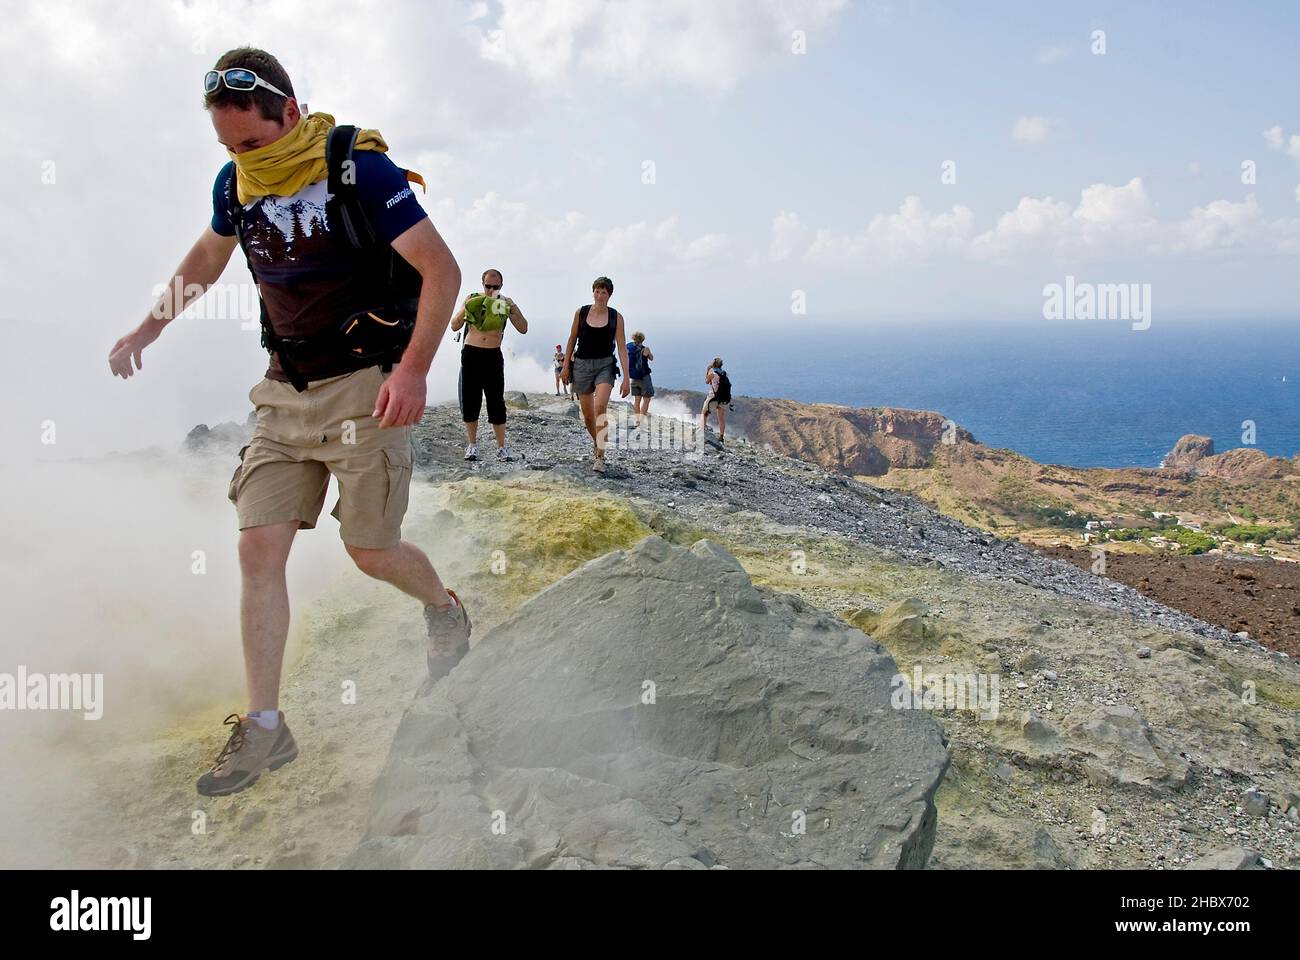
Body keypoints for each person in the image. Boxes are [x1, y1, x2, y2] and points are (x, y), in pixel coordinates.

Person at [107, 48, 470, 797]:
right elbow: (206, 262)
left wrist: (412, 371)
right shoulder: (235, 184)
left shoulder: (356, 168)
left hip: (366, 386)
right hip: (283, 390)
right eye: (230, 148)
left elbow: (443, 271)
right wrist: (148, 329)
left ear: (291, 114)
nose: (246, 158)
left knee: (370, 551)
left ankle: (445, 608)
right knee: (255, 549)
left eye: (256, 142)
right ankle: (266, 727)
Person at [450, 268, 528, 461]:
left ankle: (501, 447)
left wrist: (513, 307)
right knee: (470, 400)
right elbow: (454, 325)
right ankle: (472, 445)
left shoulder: (503, 304)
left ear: (501, 286)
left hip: (493, 354)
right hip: (471, 354)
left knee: (496, 402)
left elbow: (523, 328)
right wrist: (465, 308)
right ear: (482, 284)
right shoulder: (473, 298)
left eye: (496, 286)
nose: (491, 290)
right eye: (488, 286)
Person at [560, 276, 630, 473]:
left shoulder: (616, 317)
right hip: (581, 365)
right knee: (588, 417)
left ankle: (600, 455)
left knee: (600, 407)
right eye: (597, 291)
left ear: (610, 295)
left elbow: (622, 349)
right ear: (593, 292)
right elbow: (572, 338)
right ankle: (598, 441)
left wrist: (626, 378)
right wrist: (566, 366)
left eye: (604, 292)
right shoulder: (581, 313)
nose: (600, 296)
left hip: (605, 365)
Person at [627, 331, 655, 428]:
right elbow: (651, 358)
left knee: (637, 400)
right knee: (646, 400)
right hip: (644, 377)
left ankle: (637, 421)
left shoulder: (628, 347)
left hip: (634, 377)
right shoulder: (645, 349)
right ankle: (642, 422)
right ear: (643, 339)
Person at [701, 357, 730, 446]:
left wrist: (707, 369)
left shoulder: (712, 374)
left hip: (714, 397)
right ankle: (721, 437)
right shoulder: (725, 374)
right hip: (724, 399)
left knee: (704, 413)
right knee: (721, 418)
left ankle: (702, 432)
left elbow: (706, 381)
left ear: (713, 365)